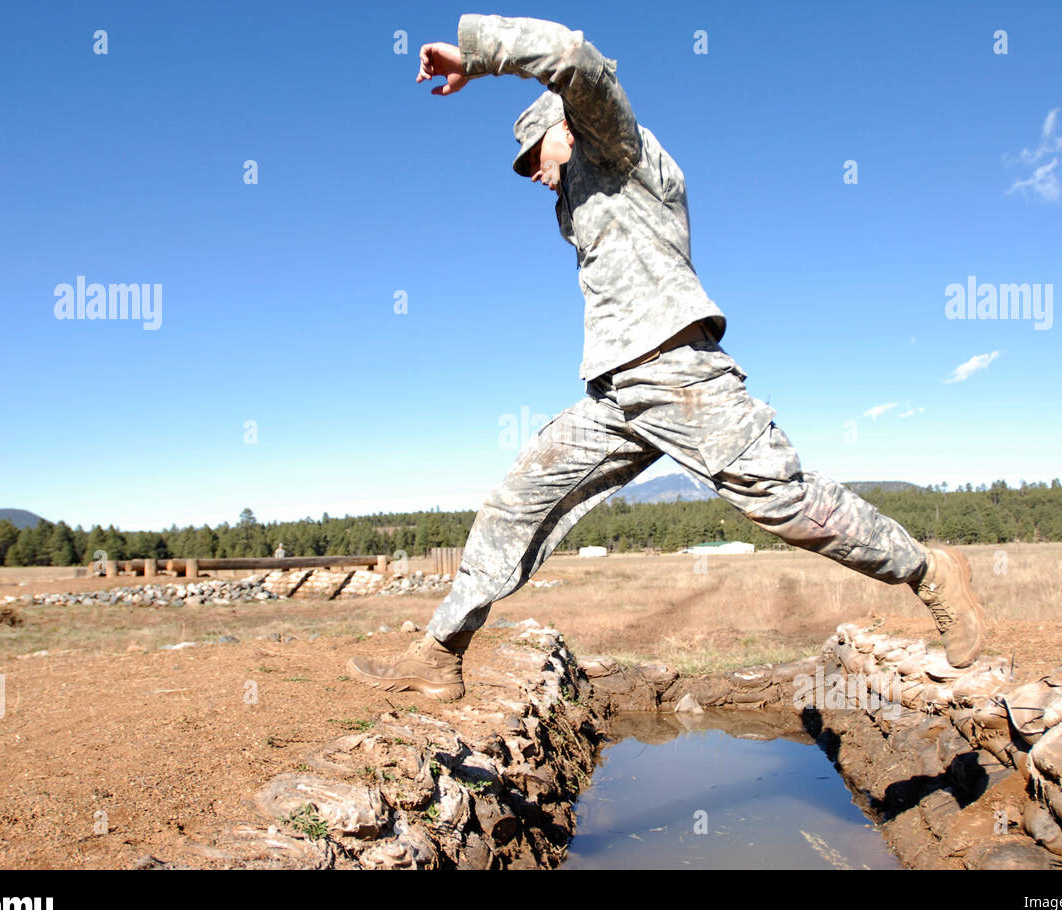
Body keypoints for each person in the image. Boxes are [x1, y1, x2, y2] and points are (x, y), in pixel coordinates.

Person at [351, 14, 987, 701]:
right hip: (616, 397)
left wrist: (479, 56)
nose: (533, 171)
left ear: (571, 126)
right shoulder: (579, 203)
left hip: (681, 373)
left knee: (786, 503)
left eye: (538, 151)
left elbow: (570, 56)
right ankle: (439, 651)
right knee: (519, 499)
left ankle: (929, 573)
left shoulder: (617, 152)